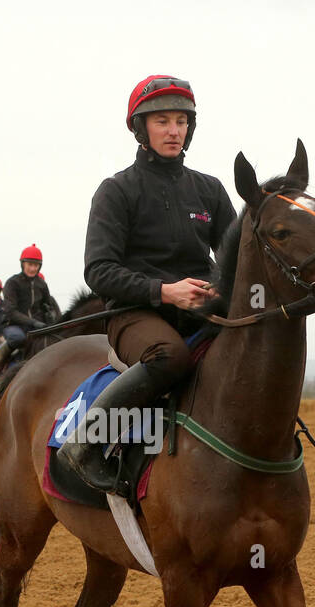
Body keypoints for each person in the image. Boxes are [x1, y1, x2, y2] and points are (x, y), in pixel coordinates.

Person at [57, 75, 236, 493]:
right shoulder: (116, 191)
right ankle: (86, 444)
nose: (174, 131)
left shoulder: (209, 189)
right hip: (134, 314)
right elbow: (99, 271)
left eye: (181, 121)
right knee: (170, 358)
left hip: (198, 312)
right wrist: (164, 291)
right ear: (141, 129)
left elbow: (234, 261)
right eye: (162, 121)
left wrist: (218, 289)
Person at [0, 244, 62, 380]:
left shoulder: (42, 284)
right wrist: (33, 322)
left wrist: (51, 316)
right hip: (14, 325)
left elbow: (47, 304)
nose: (33, 268)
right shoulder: (12, 283)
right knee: (18, 338)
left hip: (37, 325)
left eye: (36, 265)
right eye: (30, 264)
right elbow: (10, 312)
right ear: (23, 264)